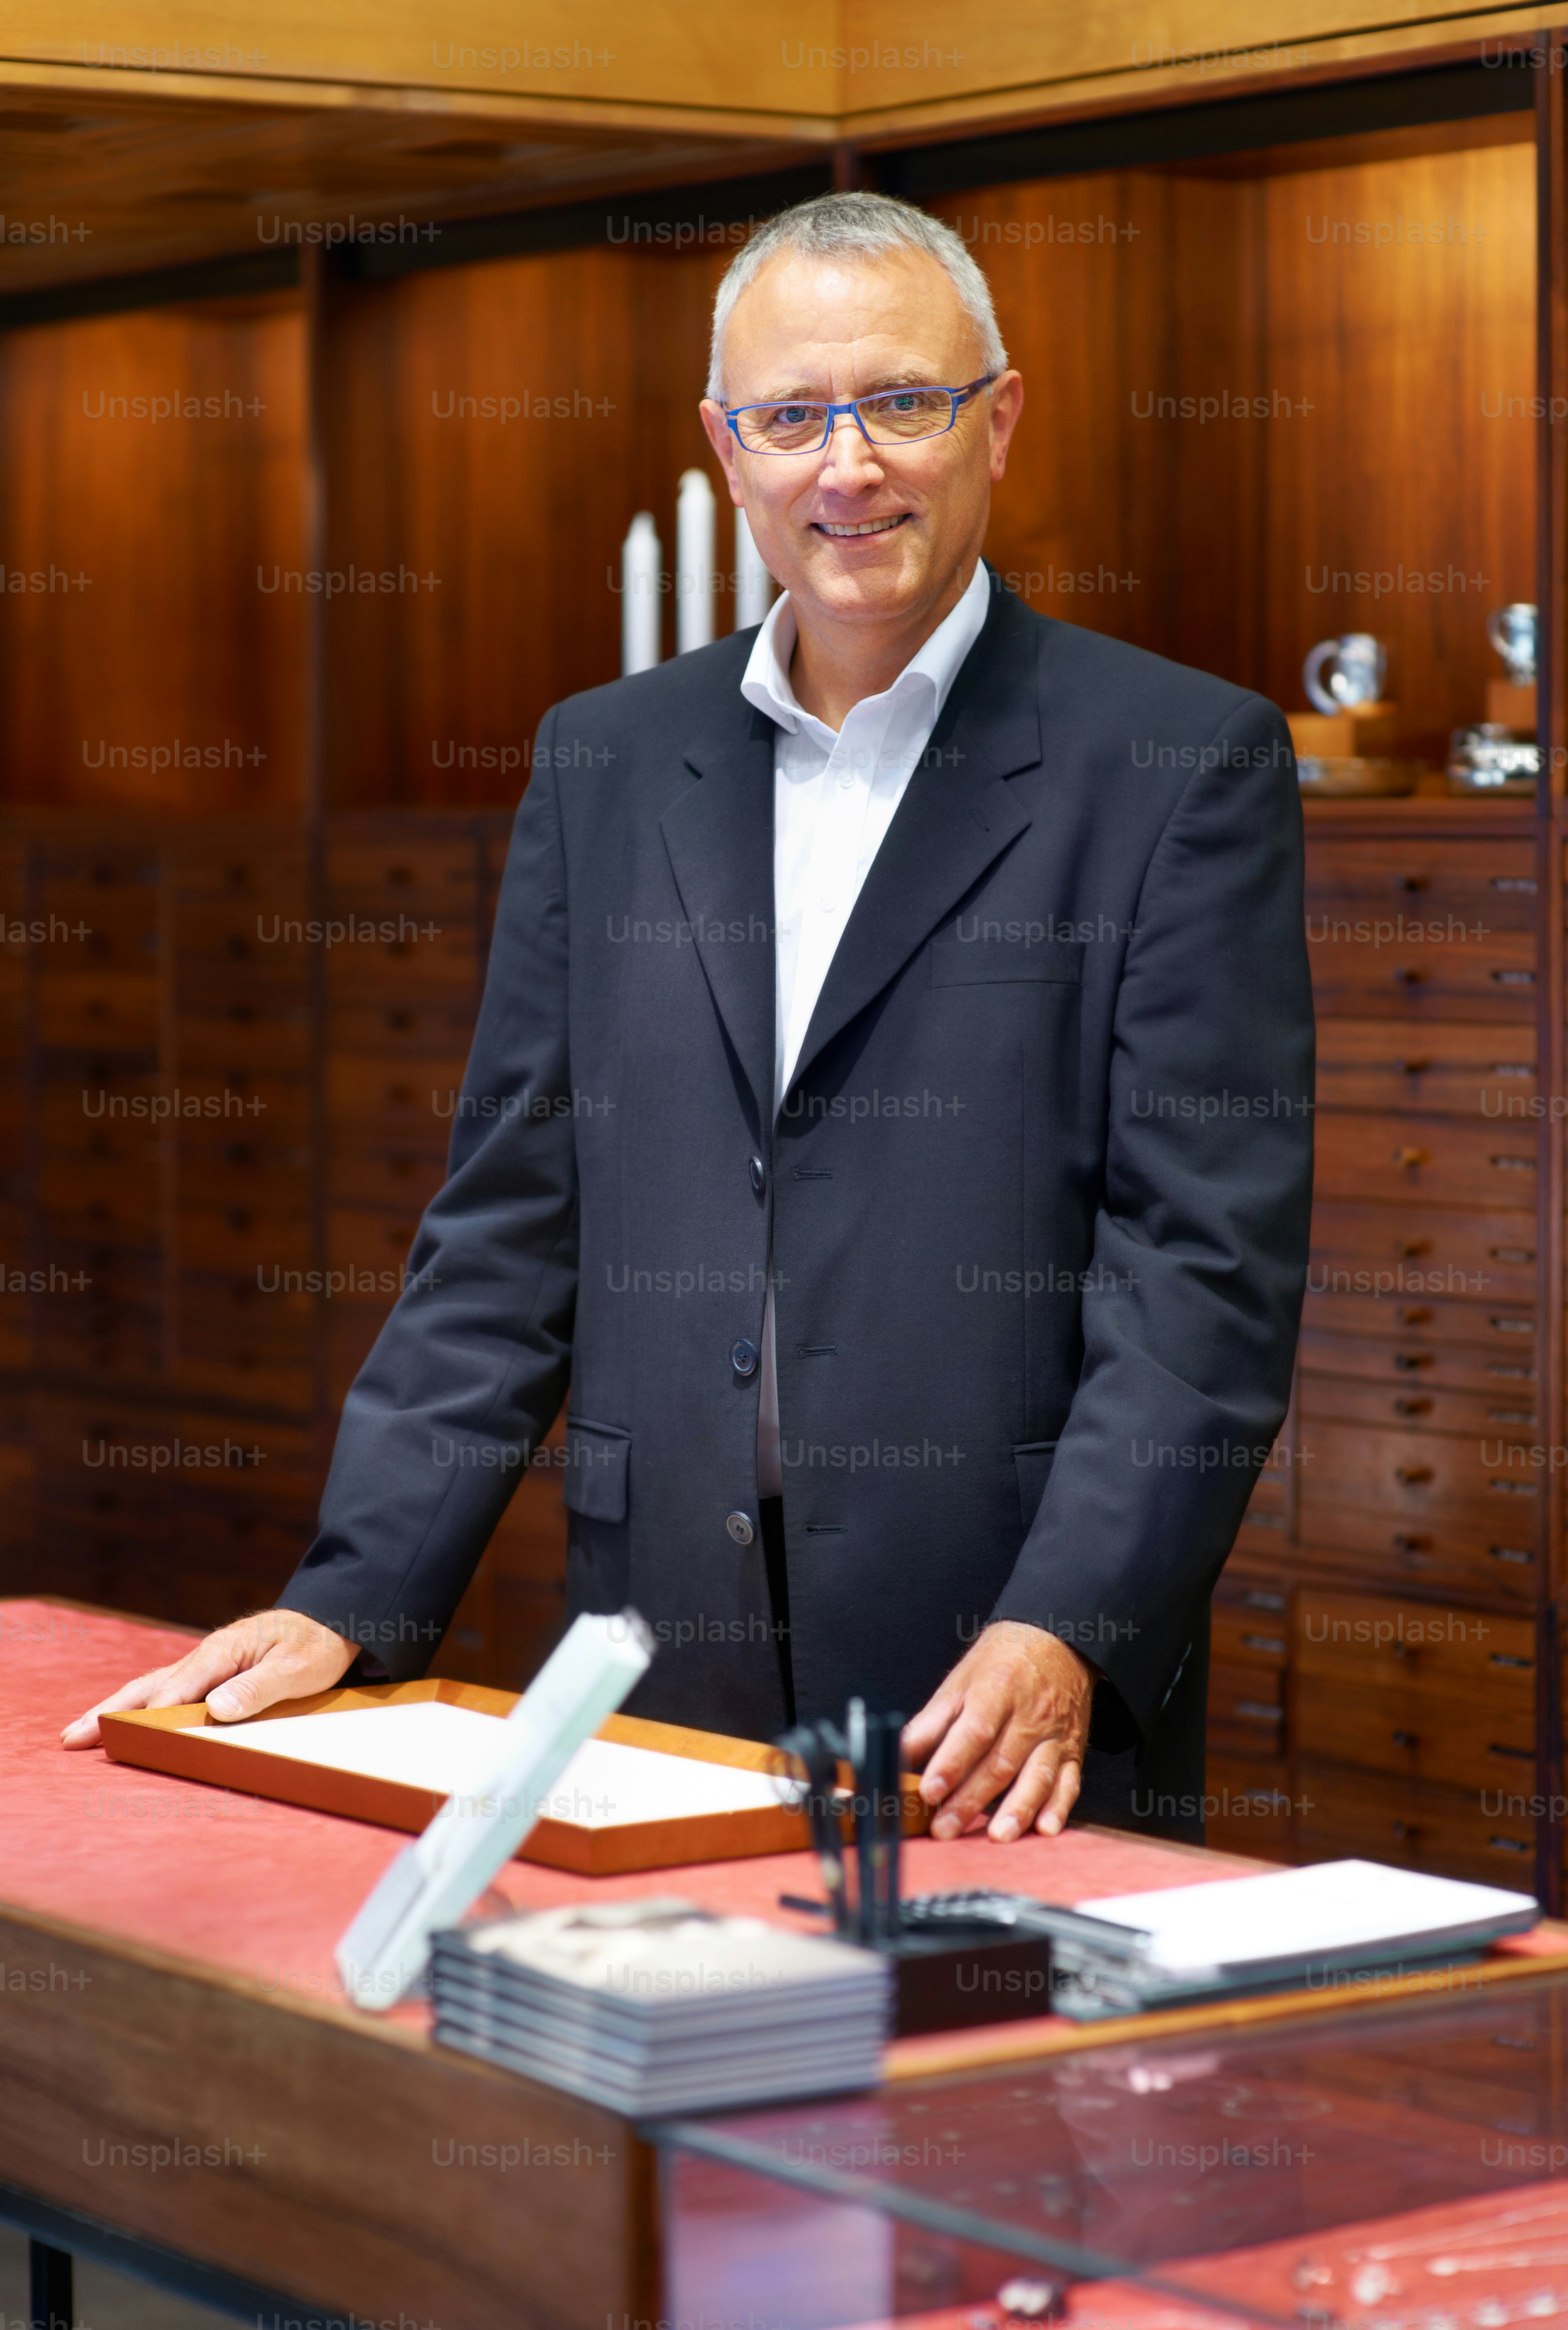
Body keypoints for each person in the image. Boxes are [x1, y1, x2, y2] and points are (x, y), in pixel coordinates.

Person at [64, 190, 1313, 1845]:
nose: (845, 465)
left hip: (997, 1686)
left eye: (903, 403)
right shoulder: (607, 758)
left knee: (983, 2099)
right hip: (658, 1655)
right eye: (792, 415)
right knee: (666, 2086)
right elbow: (511, 1223)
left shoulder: (1172, 761)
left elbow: (1201, 1269)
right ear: (726, 448)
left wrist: (1068, 1622)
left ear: (998, 417)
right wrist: (353, 1596)